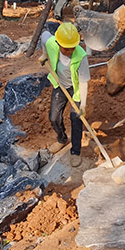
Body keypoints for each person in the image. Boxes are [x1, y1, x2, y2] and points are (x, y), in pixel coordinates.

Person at [40, 22, 91, 167]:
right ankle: (62, 139)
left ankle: (76, 152)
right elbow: (43, 36)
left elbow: (83, 83)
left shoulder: (81, 57)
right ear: (58, 42)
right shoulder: (52, 43)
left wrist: (84, 104)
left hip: (75, 90)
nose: (68, 51)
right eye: (65, 48)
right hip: (60, 85)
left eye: (71, 48)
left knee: (76, 119)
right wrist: (44, 54)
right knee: (54, 117)